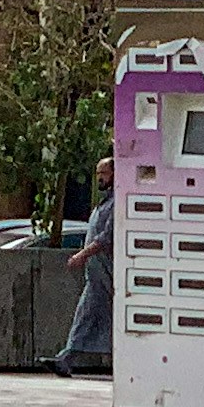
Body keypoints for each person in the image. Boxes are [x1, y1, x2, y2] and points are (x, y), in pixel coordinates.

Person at [52, 156, 114, 377]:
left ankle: (67, 357)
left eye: (103, 173)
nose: (99, 178)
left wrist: (81, 255)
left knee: (89, 313)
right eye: (97, 174)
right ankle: (67, 357)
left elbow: (105, 238)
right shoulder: (103, 203)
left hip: (106, 271)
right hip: (96, 272)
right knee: (91, 314)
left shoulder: (117, 203)